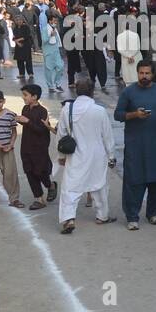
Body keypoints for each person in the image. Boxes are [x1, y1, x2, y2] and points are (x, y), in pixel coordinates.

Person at [115, 60, 156, 230]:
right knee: (134, 180)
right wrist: (134, 114)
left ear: (153, 74)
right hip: (135, 145)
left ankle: (153, 213)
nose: (144, 76)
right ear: (137, 73)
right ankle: (132, 216)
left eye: (147, 73)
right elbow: (118, 115)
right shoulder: (129, 92)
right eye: (141, 73)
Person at [54, 78, 116, 233]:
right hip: (97, 155)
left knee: (70, 187)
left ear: (76, 90)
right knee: (99, 185)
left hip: (75, 155)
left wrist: (61, 155)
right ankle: (102, 216)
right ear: (92, 91)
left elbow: (61, 134)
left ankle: (69, 218)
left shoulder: (67, 109)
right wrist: (111, 156)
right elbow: (107, 136)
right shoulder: (99, 111)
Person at [15, 84, 55, 209]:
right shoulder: (25, 108)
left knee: (40, 171)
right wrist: (19, 119)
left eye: (26, 95)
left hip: (39, 148)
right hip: (26, 145)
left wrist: (27, 122)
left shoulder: (42, 111)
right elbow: (26, 125)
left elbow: (42, 130)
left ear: (35, 97)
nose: (23, 98)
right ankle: (38, 199)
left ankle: (51, 185)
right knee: (29, 171)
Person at [39, 9, 65, 95]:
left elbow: (57, 40)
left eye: (56, 21)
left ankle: (57, 83)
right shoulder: (45, 29)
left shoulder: (55, 28)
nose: (56, 22)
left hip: (56, 51)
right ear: (50, 21)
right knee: (49, 70)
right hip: (48, 52)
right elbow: (44, 40)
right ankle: (50, 86)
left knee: (60, 66)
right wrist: (51, 35)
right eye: (54, 21)